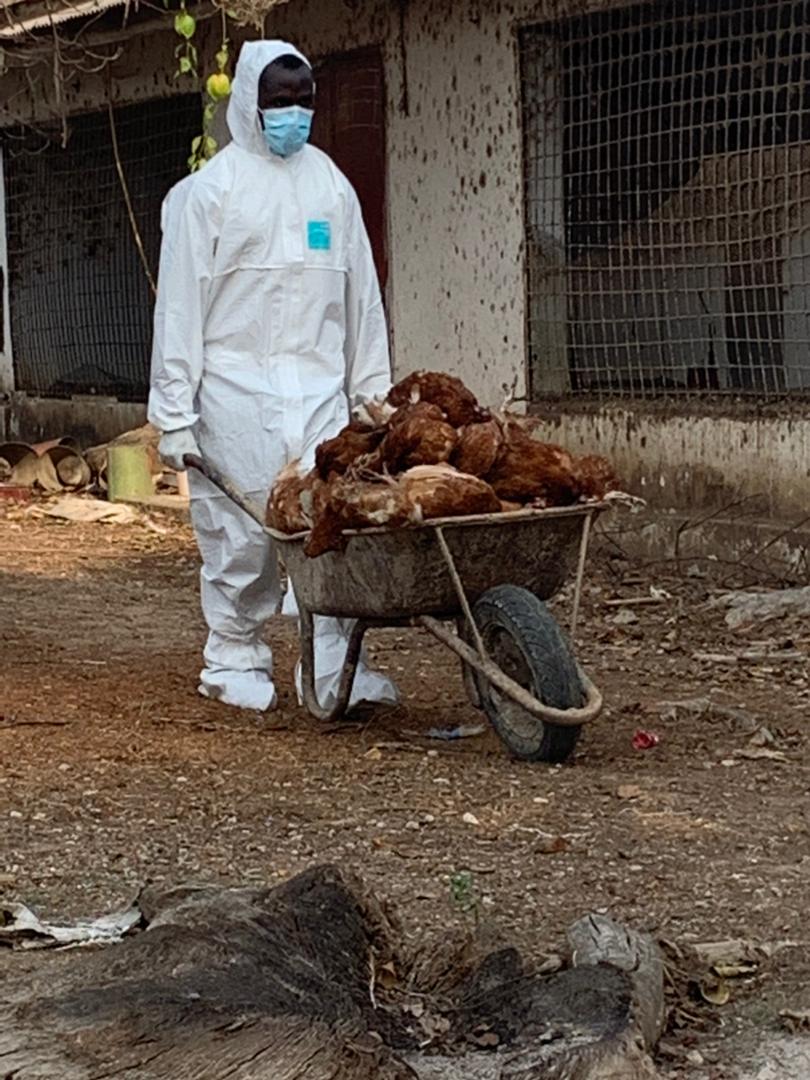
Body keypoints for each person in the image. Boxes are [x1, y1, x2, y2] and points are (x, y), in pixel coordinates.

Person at [148, 39, 399, 713]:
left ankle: (334, 665)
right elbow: (181, 308)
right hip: (234, 399)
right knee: (240, 540)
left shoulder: (330, 186)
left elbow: (360, 298)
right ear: (249, 104)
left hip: (318, 398)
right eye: (279, 101)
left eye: (303, 101)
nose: (293, 114)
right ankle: (233, 657)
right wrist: (174, 414)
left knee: (332, 536)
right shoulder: (211, 193)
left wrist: (371, 396)